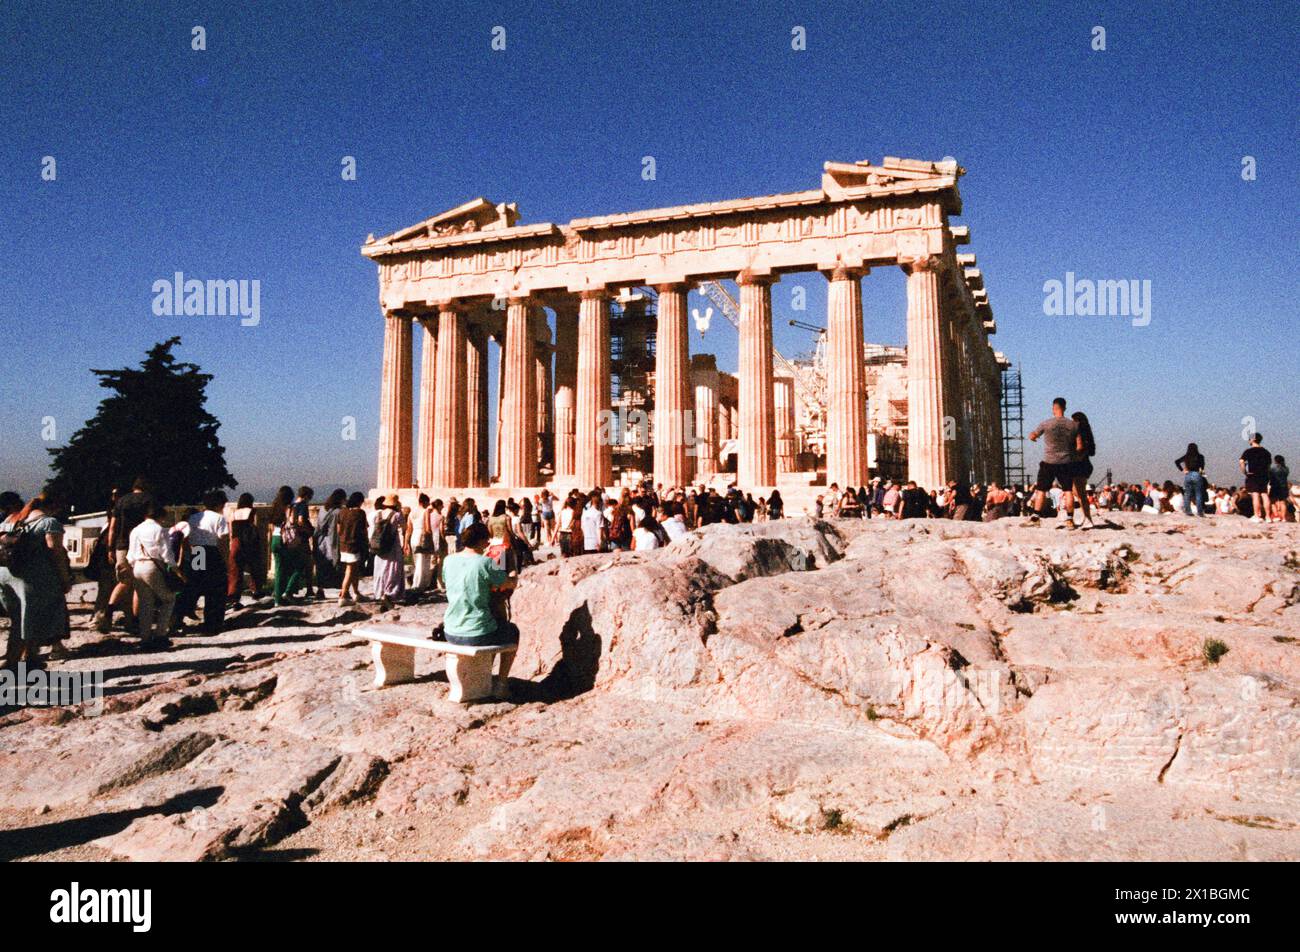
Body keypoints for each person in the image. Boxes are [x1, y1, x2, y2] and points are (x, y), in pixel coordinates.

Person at [441, 522, 518, 699]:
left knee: (491, 627)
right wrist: (513, 573)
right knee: (511, 631)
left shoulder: (449, 559)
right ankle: (501, 683)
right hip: (476, 632)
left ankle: (485, 677)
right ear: (483, 541)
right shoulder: (486, 562)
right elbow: (508, 583)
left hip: (451, 630)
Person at [0, 492, 72, 669]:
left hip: (6, 573)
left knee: (18, 620)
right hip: (32, 577)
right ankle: (29, 659)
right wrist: (64, 579)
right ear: (53, 506)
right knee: (34, 618)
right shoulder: (49, 522)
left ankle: (13, 660)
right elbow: (56, 553)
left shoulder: (10, 520)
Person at [127, 500, 178, 649]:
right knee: (169, 599)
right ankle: (161, 634)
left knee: (145, 603)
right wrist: (175, 569)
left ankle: (145, 637)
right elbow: (166, 554)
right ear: (160, 515)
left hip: (137, 566)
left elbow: (130, 555)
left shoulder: (136, 529)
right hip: (153, 565)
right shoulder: (160, 530)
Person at [109, 478, 155, 633]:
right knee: (139, 585)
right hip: (141, 545)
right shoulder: (149, 500)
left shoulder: (121, 501)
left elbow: (113, 527)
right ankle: (135, 620)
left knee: (124, 581)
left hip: (121, 544)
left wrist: (110, 548)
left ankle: (109, 610)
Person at [181, 490, 230, 634]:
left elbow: (186, 538)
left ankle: (180, 615)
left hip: (197, 551)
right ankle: (213, 623)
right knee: (215, 588)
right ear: (220, 504)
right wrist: (225, 559)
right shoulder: (219, 518)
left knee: (196, 583)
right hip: (211, 552)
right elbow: (223, 540)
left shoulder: (194, 517)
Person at [1026, 397, 1079, 524]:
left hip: (1048, 462)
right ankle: (1070, 519)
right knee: (1068, 491)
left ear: (1053, 408)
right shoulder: (1073, 425)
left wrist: (1033, 437)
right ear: (1065, 408)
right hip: (1066, 461)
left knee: (1041, 490)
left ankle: (1036, 517)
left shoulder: (1046, 423)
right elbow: (1079, 445)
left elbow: (1033, 435)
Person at [370, 494, 408, 610]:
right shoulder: (396, 515)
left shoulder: (377, 514)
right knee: (392, 569)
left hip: (379, 545)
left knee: (380, 569)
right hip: (392, 545)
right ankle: (390, 592)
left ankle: (380, 592)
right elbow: (404, 528)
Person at [227, 493, 265, 602]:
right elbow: (254, 527)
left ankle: (234, 598)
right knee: (254, 568)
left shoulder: (233, 514)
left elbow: (231, 532)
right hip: (249, 543)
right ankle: (256, 590)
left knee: (235, 572)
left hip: (235, 543)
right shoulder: (251, 512)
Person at [336, 492, 368, 605]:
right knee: (350, 570)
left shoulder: (342, 512)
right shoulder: (360, 513)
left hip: (343, 544)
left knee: (354, 569)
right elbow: (364, 530)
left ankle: (356, 593)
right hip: (354, 544)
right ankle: (343, 595)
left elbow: (338, 530)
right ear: (359, 502)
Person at [314, 489, 346, 593]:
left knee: (321, 565)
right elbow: (334, 530)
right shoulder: (337, 512)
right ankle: (342, 590)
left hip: (320, 540)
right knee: (336, 565)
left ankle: (320, 589)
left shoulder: (323, 509)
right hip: (331, 540)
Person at [1069, 411, 1097, 530]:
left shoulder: (1079, 434)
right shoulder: (1087, 435)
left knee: (1080, 494)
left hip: (1079, 466)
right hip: (1084, 465)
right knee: (1078, 493)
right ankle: (1086, 517)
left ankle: (1088, 518)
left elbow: (1080, 451)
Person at [1239, 434, 1272, 523]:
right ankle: (1268, 517)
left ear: (1253, 439)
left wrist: (1245, 472)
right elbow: (1269, 466)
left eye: (1249, 439)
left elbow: (1241, 462)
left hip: (1253, 474)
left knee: (1255, 494)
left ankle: (1257, 515)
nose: (1249, 440)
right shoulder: (1266, 452)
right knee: (1264, 494)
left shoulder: (1249, 451)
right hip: (1264, 475)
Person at [1175, 443, 1207, 517]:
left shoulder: (1187, 456)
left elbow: (1177, 462)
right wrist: (1202, 475)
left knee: (1187, 494)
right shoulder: (1200, 456)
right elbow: (1202, 468)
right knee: (1198, 493)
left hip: (1188, 475)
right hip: (1197, 474)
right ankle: (1200, 512)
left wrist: (1182, 470)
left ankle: (1188, 511)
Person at [1268, 455, 1290, 523]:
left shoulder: (1273, 468)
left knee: (1272, 501)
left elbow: (1269, 476)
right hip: (1284, 486)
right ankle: (1283, 518)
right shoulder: (1286, 468)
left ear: (1275, 460)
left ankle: (1276, 515)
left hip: (1275, 486)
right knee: (1283, 502)